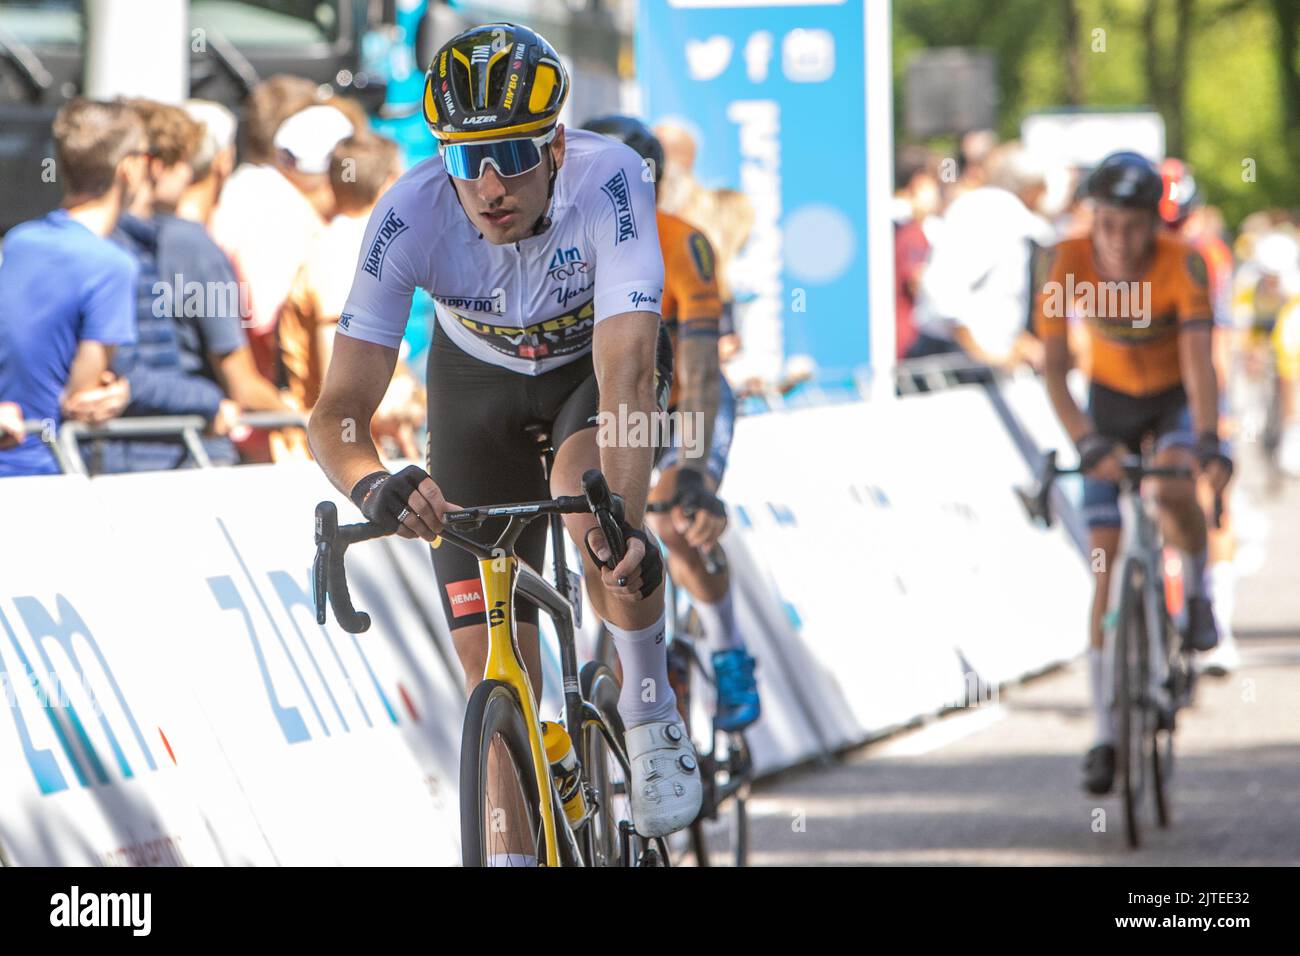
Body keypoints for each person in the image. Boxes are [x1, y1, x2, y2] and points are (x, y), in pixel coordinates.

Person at [306, 23, 702, 848]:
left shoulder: (612, 180)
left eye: (514, 154)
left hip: (593, 372)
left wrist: (622, 522)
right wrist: (374, 484)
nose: (489, 183)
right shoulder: (408, 211)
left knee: (594, 517)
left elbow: (628, 371)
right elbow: (337, 409)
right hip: (476, 382)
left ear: (556, 147)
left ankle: (648, 706)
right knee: (490, 675)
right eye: (464, 158)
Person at [1033, 151, 1232, 796]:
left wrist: (1208, 439)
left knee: (1175, 487)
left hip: (1173, 398)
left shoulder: (1184, 262)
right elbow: (1054, 367)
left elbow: (1201, 364)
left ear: (1157, 224)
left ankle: (1198, 593)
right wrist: (1086, 441)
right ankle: (1104, 732)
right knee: (1104, 554)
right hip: (1108, 404)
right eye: (1106, 223)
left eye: (1134, 225)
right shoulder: (1066, 260)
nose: (1118, 240)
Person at [582, 115, 760, 732]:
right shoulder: (563, 240)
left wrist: (693, 470)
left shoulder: (683, 243)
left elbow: (704, 370)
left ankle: (729, 645)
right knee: (596, 532)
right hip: (617, 410)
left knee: (678, 521)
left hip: (685, 404)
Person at [87, 99, 239, 473]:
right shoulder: (125, 251)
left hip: (151, 452)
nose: (190, 175)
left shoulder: (142, 242)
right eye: (182, 161)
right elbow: (124, 376)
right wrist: (212, 401)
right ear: (153, 166)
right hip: (145, 459)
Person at [0, 99, 144, 477]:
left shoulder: (18, 241)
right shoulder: (112, 267)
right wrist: (118, 390)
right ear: (129, 167)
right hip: (44, 470)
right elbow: (81, 397)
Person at [277, 132, 422, 458]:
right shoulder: (341, 251)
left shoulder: (352, 244)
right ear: (389, 185)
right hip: (339, 457)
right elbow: (340, 383)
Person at [910, 141, 1054, 384]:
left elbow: (994, 298)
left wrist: (1015, 344)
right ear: (1032, 187)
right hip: (957, 369)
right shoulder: (988, 213)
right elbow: (941, 291)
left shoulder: (1003, 215)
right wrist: (983, 354)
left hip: (974, 365)